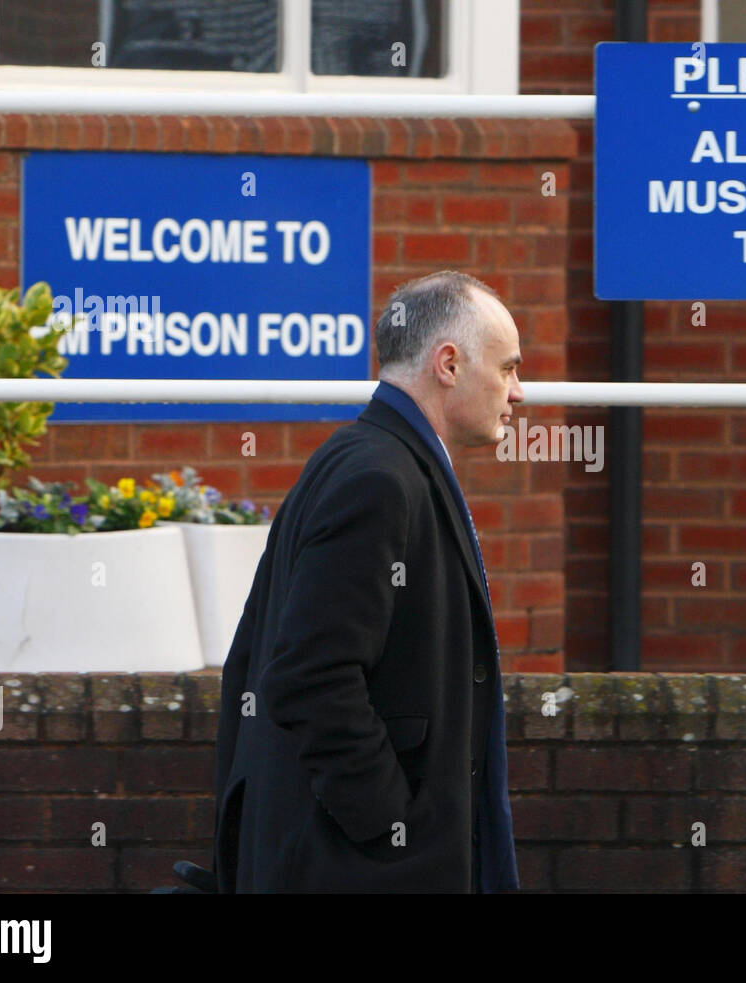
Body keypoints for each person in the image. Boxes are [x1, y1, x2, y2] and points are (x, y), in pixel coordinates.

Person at [210, 270, 524, 892]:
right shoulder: (380, 480)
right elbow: (309, 677)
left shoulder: (364, 458)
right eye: (509, 367)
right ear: (450, 364)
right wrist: (390, 827)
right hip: (358, 868)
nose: (518, 392)